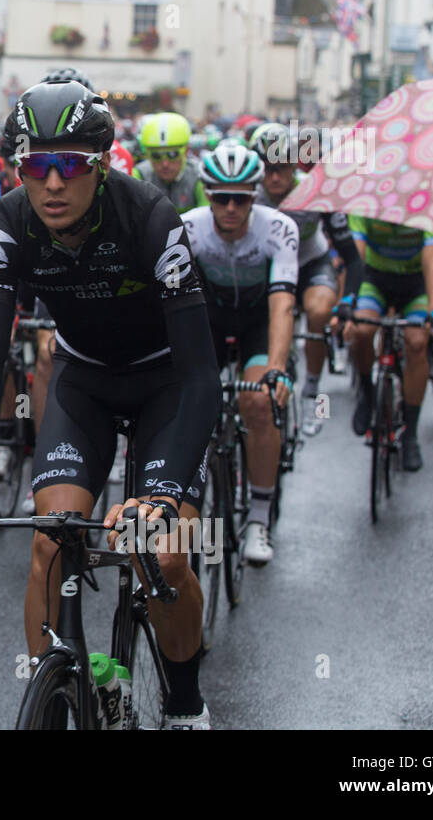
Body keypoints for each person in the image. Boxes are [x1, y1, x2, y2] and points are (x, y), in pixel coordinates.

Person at [0, 79, 219, 728]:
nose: (53, 183)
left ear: (102, 165)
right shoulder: (5, 223)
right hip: (83, 381)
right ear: (18, 170)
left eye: (70, 165)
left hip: (165, 384)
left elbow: (203, 375)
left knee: (163, 549)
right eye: (35, 165)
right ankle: (60, 693)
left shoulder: (150, 217)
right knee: (49, 542)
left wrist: (164, 493)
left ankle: (185, 703)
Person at [182, 143, 298, 564]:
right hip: (209, 319)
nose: (231, 208)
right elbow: (169, 302)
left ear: (255, 196)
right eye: (220, 198)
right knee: (189, 398)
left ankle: (259, 519)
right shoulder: (189, 228)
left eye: (241, 199)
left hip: (256, 321)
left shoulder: (278, 228)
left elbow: (283, 301)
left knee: (258, 401)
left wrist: (278, 369)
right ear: (207, 195)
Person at [248, 123, 361, 434]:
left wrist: (348, 302)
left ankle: (312, 389)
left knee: (320, 311)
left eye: (282, 168)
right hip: (268, 270)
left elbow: (351, 256)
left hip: (310, 264)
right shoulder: (249, 194)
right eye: (267, 169)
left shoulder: (317, 190)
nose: (273, 177)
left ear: (295, 165)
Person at [346, 216, 433, 472]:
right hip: (375, 279)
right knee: (362, 329)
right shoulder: (365, 203)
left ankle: (411, 434)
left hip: (416, 283)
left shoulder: (428, 206)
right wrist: (346, 302)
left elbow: (432, 260)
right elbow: (356, 256)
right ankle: (367, 393)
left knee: (416, 342)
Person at [133, 111, 206, 213]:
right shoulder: (139, 175)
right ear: (147, 155)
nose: (165, 164)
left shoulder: (199, 175)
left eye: (173, 155)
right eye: (156, 156)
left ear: (185, 151)